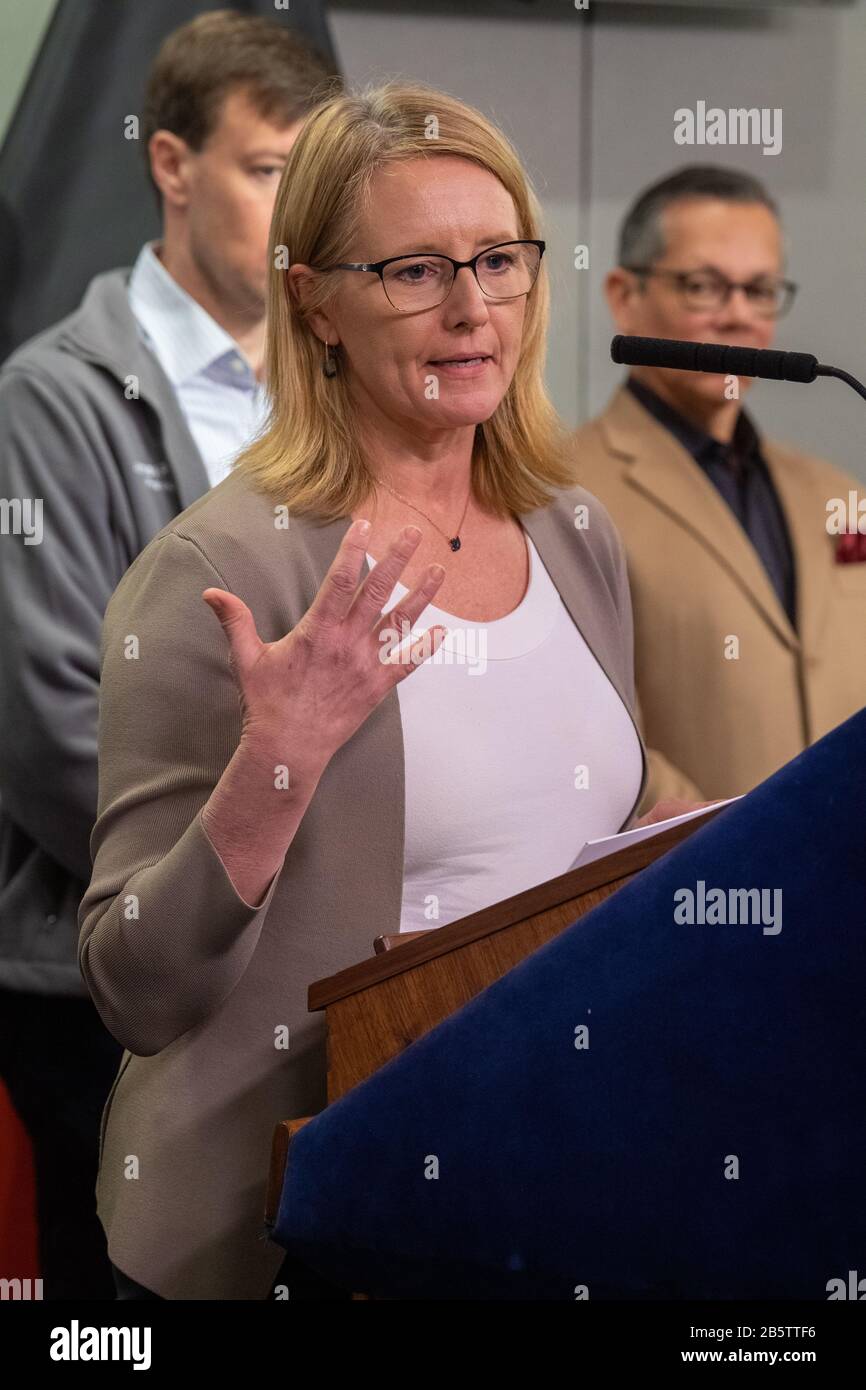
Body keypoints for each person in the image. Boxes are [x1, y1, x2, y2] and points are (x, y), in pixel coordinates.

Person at [78, 80, 697, 1302]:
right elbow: (133, 984)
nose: (472, 309)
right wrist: (283, 757)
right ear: (312, 302)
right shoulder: (223, 568)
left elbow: (582, 827)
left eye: (497, 261)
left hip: (520, 1190)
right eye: (413, 271)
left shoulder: (571, 531)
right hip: (279, 1236)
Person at [0, 9, 336, 1299]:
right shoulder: (50, 396)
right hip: (101, 970)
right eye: (267, 172)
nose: (294, 214)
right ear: (172, 164)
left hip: (295, 961)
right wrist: (232, 879)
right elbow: (43, 726)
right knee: (127, 1308)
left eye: (314, 182)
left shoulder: (327, 389)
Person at [572, 165, 866, 804]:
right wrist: (717, 844)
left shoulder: (837, 493)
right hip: (692, 882)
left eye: (760, 291)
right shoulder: (560, 496)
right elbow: (572, 724)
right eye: (704, 287)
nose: (737, 317)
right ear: (624, 295)